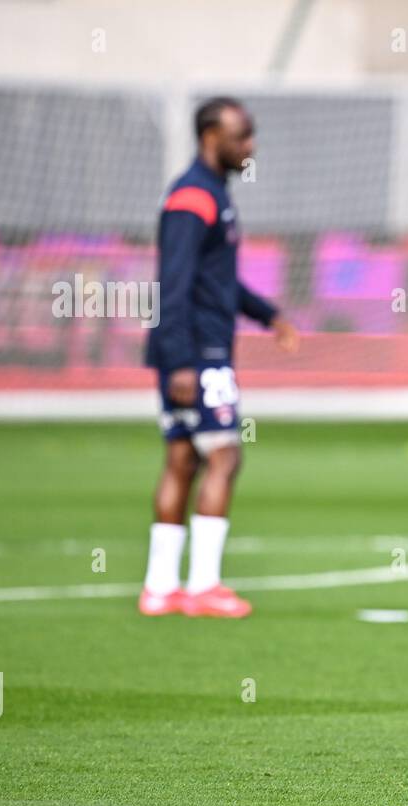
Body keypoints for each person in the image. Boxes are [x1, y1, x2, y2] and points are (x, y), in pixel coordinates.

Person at [139, 97, 298, 618]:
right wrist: (183, 360)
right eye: (241, 135)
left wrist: (267, 314)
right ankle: (203, 586)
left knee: (183, 459)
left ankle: (160, 589)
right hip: (199, 354)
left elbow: (219, 282)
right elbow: (175, 283)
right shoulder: (194, 198)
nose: (249, 146)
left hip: (190, 351)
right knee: (226, 457)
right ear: (211, 136)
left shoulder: (211, 195)